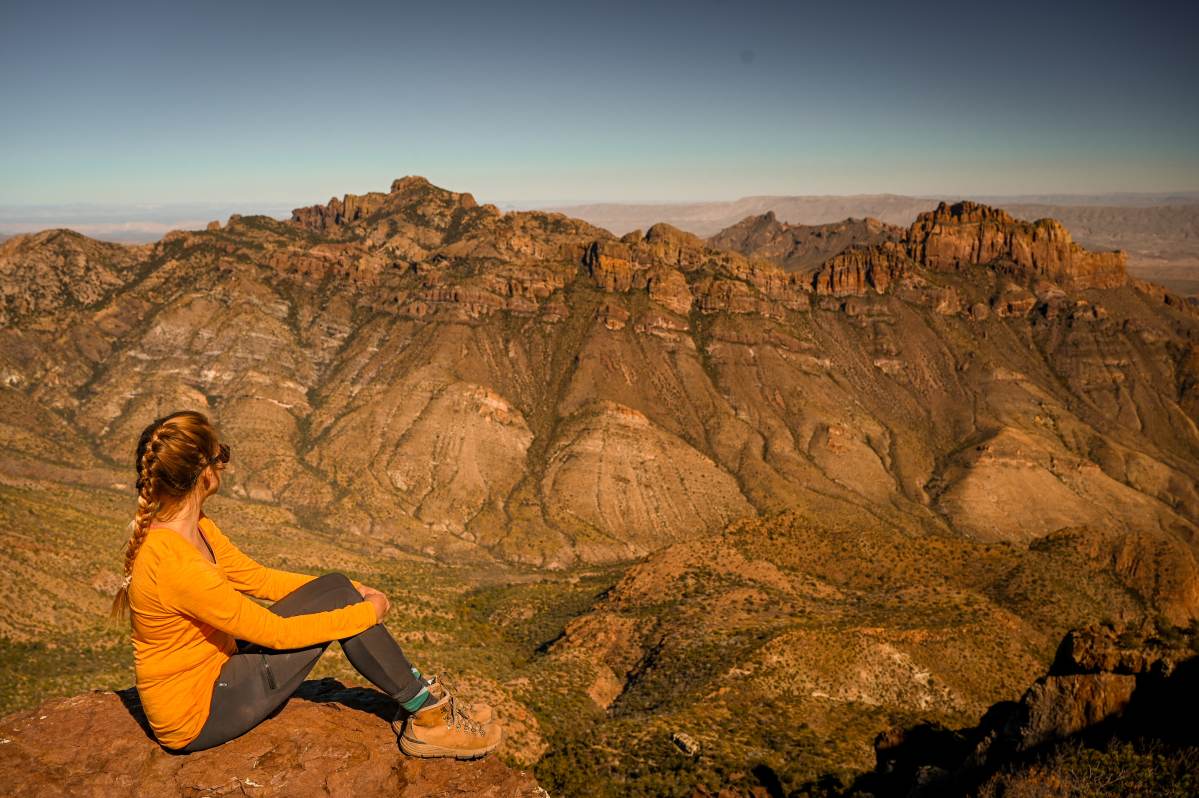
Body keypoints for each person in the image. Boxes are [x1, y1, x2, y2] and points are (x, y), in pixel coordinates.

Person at [109, 410, 501, 757]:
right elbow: (275, 633)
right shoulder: (177, 564)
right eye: (221, 455)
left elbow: (257, 578)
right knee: (343, 608)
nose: (225, 465)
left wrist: (356, 590)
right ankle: (429, 717)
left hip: (219, 672)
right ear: (205, 473)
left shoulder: (197, 530)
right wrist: (365, 614)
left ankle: (419, 695)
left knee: (336, 586)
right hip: (201, 711)